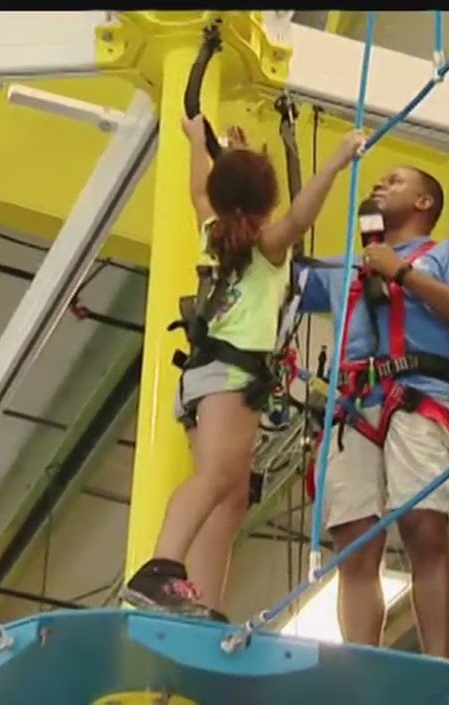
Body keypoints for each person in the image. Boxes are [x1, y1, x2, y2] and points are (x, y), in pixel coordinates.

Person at [120, 115, 367, 620]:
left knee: (231, 497)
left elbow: (198, 188)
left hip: (206, 376)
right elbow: (301, 215)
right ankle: (160, 569)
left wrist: (200, 144)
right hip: (231, 379)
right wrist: (337, 162)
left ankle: (205, 602)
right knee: (214, 479)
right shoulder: (266, 249)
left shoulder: (214, 231)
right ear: (265, 204)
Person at [297, 165, 449, 658]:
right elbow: (279, 266)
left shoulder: (448, 253)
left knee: (424, 529)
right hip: (352, 409)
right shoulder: (344, 268)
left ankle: (437, 661)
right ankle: (362, 663)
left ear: (426, 202)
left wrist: (401, 272)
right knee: (354, 545)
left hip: (417, 395)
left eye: (397, 180)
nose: (381, 184)